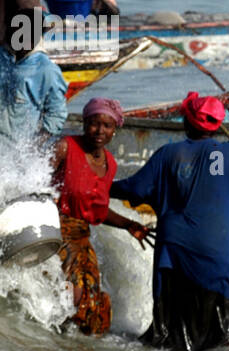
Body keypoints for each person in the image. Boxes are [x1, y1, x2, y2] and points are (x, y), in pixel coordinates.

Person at [110, 92, 229, 351]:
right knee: (221, 345)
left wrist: (98, 186)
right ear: (218, 125)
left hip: (173, 259)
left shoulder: (168, 155)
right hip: (217, 262)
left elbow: (132, 189)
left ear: (187, 121)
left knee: (167, 343)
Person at [49, 97, 153, 335]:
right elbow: (35, 182)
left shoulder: (110, 164)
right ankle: (54, 335)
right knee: (73, 293)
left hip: (81, 235)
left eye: (107, 126)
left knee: (93, 301)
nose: (100, 131)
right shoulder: (66, 147)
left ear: (114, 130)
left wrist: (129, 224)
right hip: (54, 228)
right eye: (95, 123)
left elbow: (96, 209)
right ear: (85, 123)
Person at [0, 26, 68, 145]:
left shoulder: (46, 69)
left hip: (18, 148)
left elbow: (57, 114)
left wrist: (32, 146)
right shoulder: (0, 57)